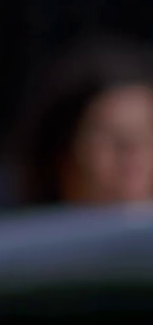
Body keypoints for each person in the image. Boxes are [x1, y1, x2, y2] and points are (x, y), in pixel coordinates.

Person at [13, 38, 153, 207]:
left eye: (146, 132)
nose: (132, 147)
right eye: (108, 134)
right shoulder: (16, 232)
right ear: (61, 159)